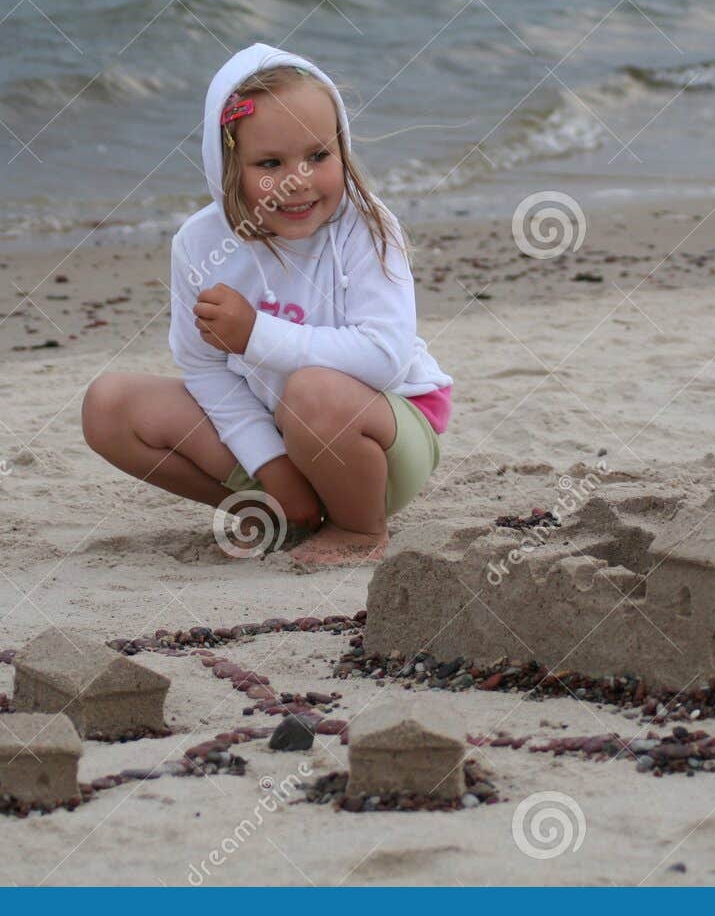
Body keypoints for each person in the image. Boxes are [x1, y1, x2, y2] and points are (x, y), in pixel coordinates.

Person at [82, 43, 453, 566]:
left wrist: (255, 334)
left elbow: (385, 357)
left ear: (342, 147)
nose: (298, 180)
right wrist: (272, 467)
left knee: (312, 390)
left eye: (318, 156)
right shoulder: (199, 244)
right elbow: (204, 368)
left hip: (381, 444)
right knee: (109, 405)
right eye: (270, 163)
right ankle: (281, 510)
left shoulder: (366, 226)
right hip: (278, 441)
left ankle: (358, 529)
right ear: (227, 165)